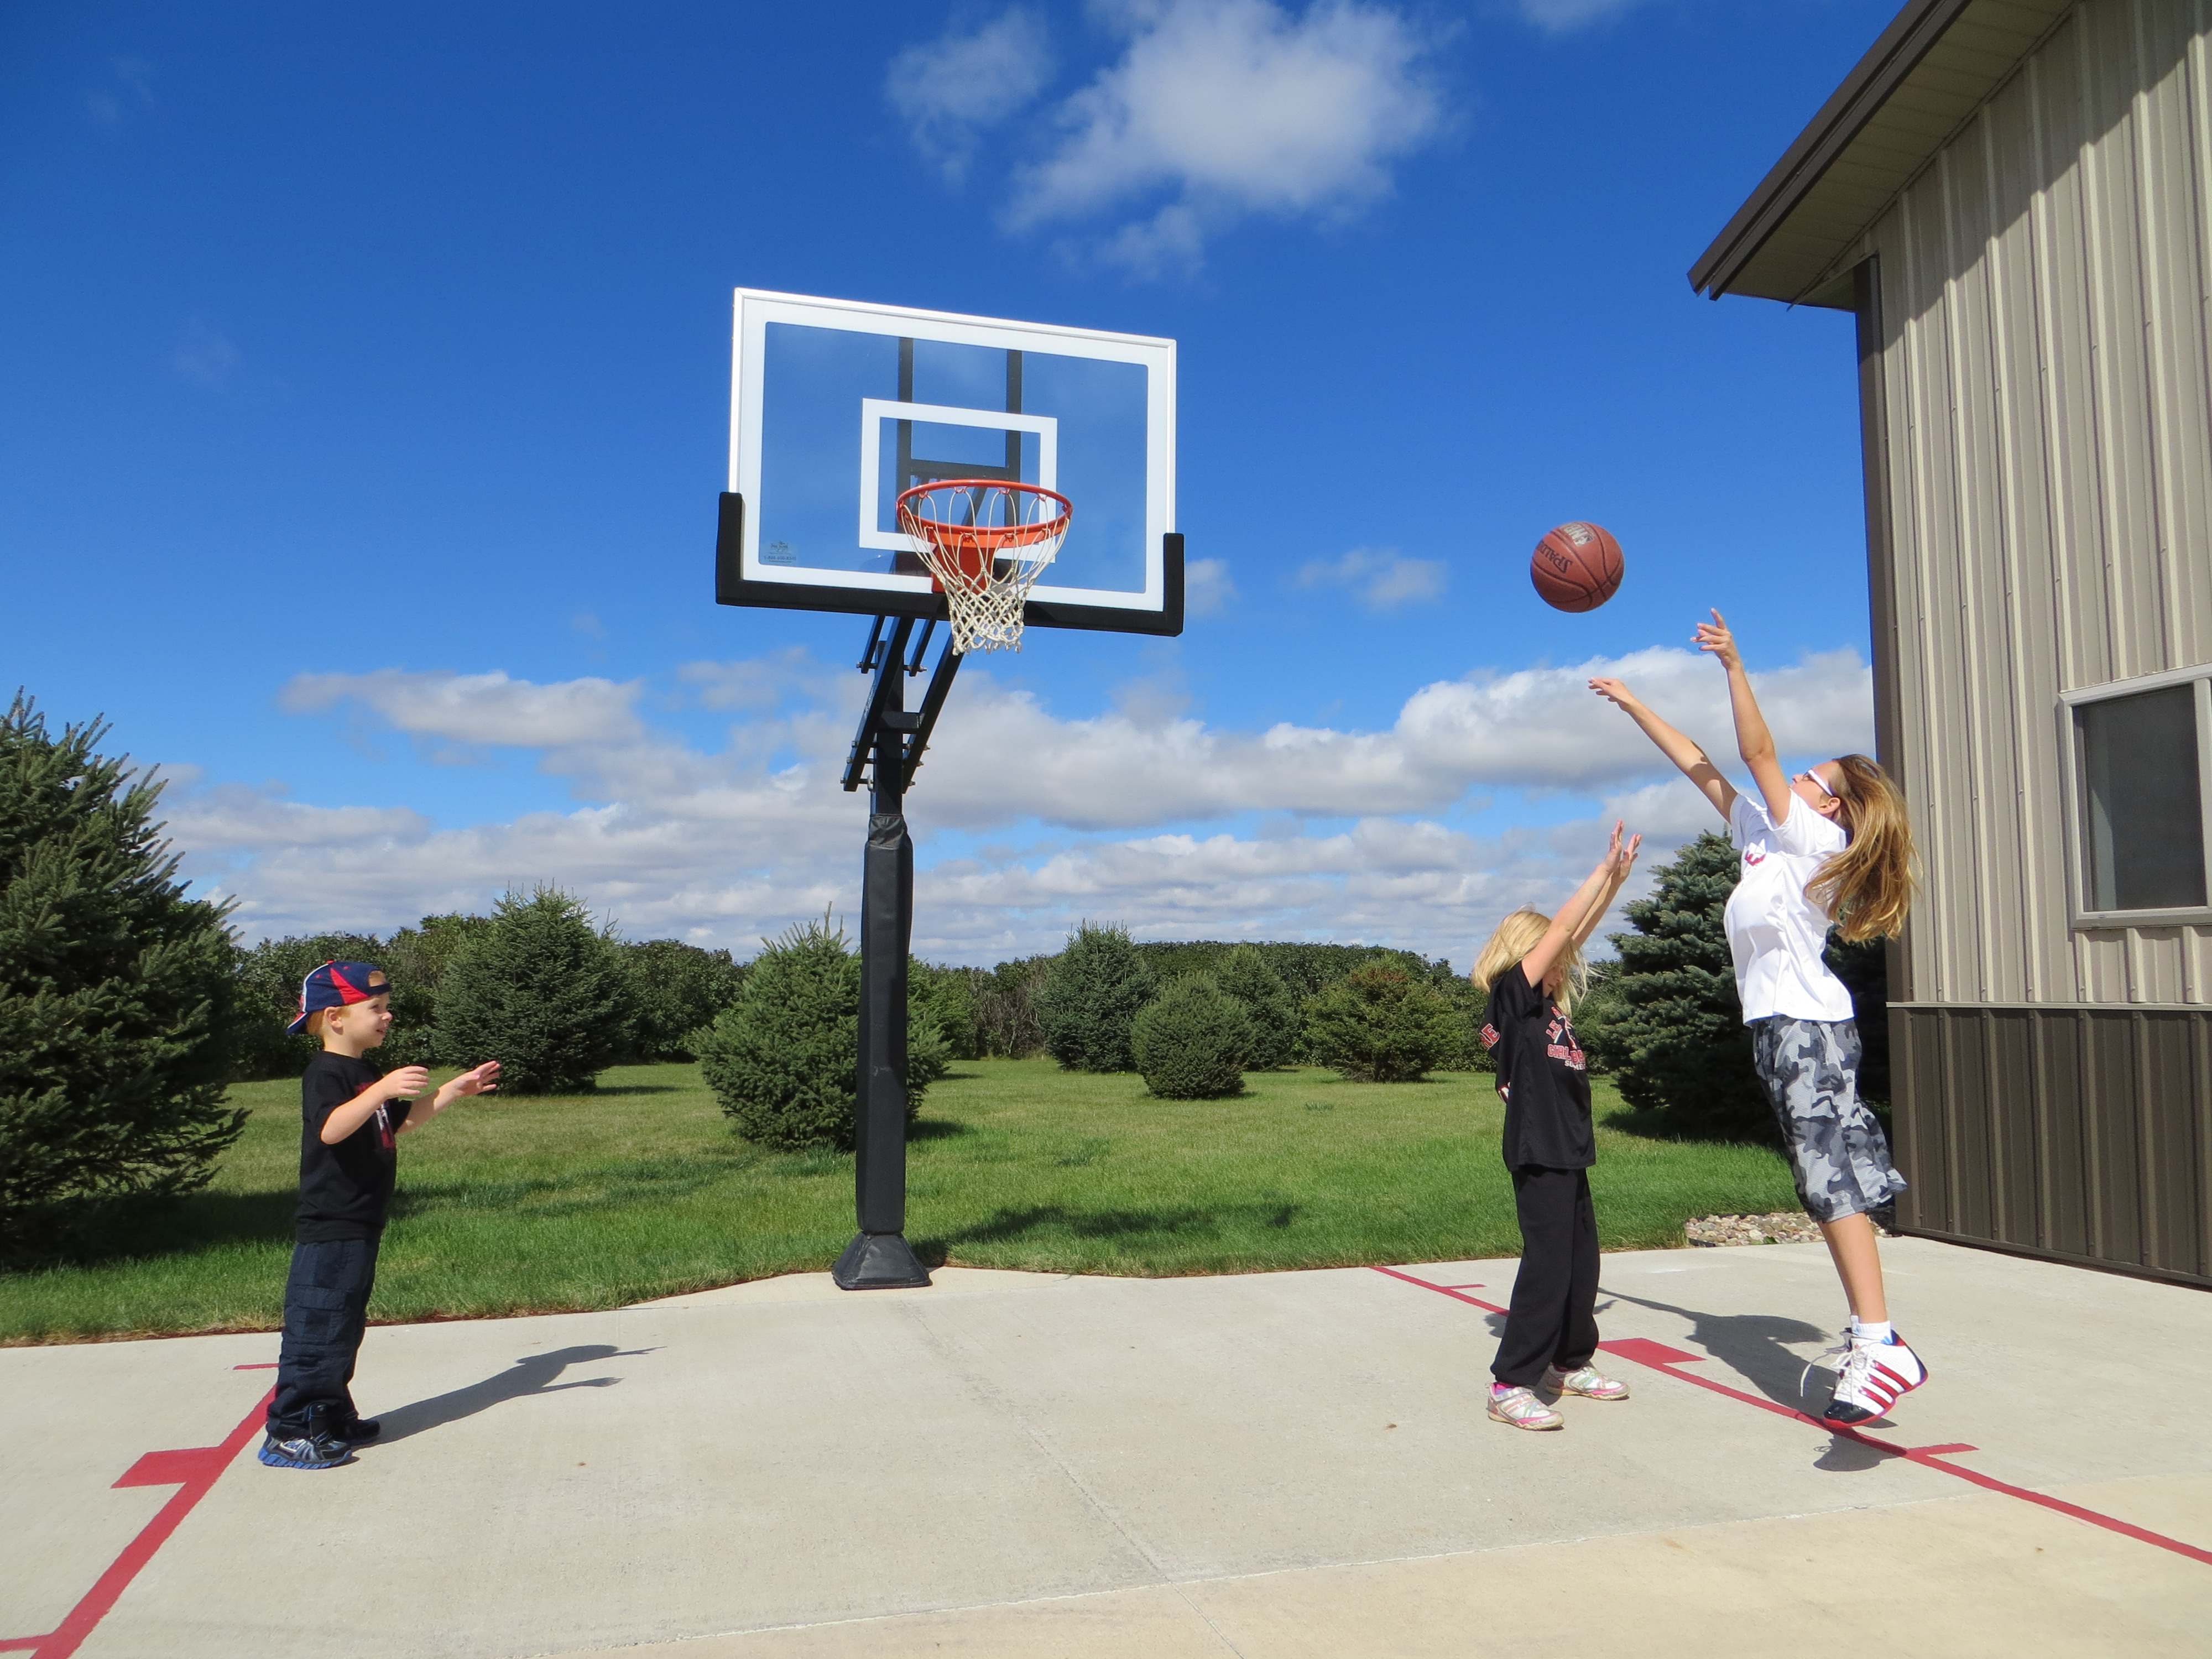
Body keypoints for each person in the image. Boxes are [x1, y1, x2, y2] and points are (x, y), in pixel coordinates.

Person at [1589, 610, 1923, 1425]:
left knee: (1827, 1179)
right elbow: (1703, 766)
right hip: (1783, 1028)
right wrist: (1634, 705)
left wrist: (1734, 665)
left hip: (1805, 1025)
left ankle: (1879, 1342)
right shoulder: (1767, 835)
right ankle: (1874, 1338)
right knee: (1823, 1179)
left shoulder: (1810, 836)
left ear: (1835, 808)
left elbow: (1754, 752)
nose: (1797, 781)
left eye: (1815, 777)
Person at [261, 960, 500, 1470]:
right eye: (377, 1008)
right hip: (330, 1223)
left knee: (344, 1326)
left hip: (362, 1220)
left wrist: (451, 1092)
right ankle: (290, 1429)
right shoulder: (326, 1073)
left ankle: (330, 1415)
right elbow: (331, 1129)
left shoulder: (364, 1073)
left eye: (387, 1007)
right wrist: (382, 1088)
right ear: (335, 1018)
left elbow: (402, 1124)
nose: (388, 1016)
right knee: (317, 1327)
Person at [1470, 821, 1642, 1431]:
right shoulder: (1512, 1004)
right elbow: (1566, 928)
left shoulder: (1548, 1010)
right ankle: (1510, 1383)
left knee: (1580, 1264)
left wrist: (1616, 884)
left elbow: (1575, 934)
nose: (1564, 961)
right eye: (1551, 952)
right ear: (1526, 953)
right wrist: (1599, 872)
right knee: (1546, 1267)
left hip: (1569, 1150)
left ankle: (1567, 1364)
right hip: (1538, 1150)